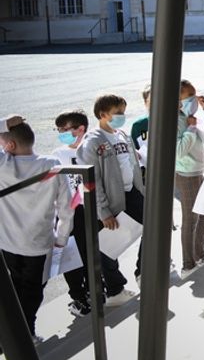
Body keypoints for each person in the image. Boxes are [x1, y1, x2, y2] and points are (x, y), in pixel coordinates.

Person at [64, 95, 141, 315]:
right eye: (117, 112)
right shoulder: (92, 142)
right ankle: (116, 290)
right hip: (110, 200)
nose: (121, 117)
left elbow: (132, 164)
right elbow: (91, 180)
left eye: (123, 112)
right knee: (108, 246)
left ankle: (139, 272)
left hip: (131, 193)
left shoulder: (122, 135)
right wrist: (103, 211)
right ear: (102, 114)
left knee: (154, 226)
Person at [0, 118, 72, 342]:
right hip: (39, 243)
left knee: (10, 289)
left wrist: (3, 123)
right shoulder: (52, 165)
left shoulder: (3, 165)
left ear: (10, 145)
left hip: (7, 242)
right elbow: (67, 207)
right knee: (32, 289)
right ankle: (26, 333)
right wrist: (61, 238)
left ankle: (9, 336)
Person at [175, 80, 204, 278]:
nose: (193, 99)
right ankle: (188, 263)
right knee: (191, 218)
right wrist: (191, 129)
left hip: (197, 171)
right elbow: (179, 151)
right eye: (188, 96)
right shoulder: (177, 120)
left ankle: (199, 252)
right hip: (185, 174)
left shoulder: (186, 116)